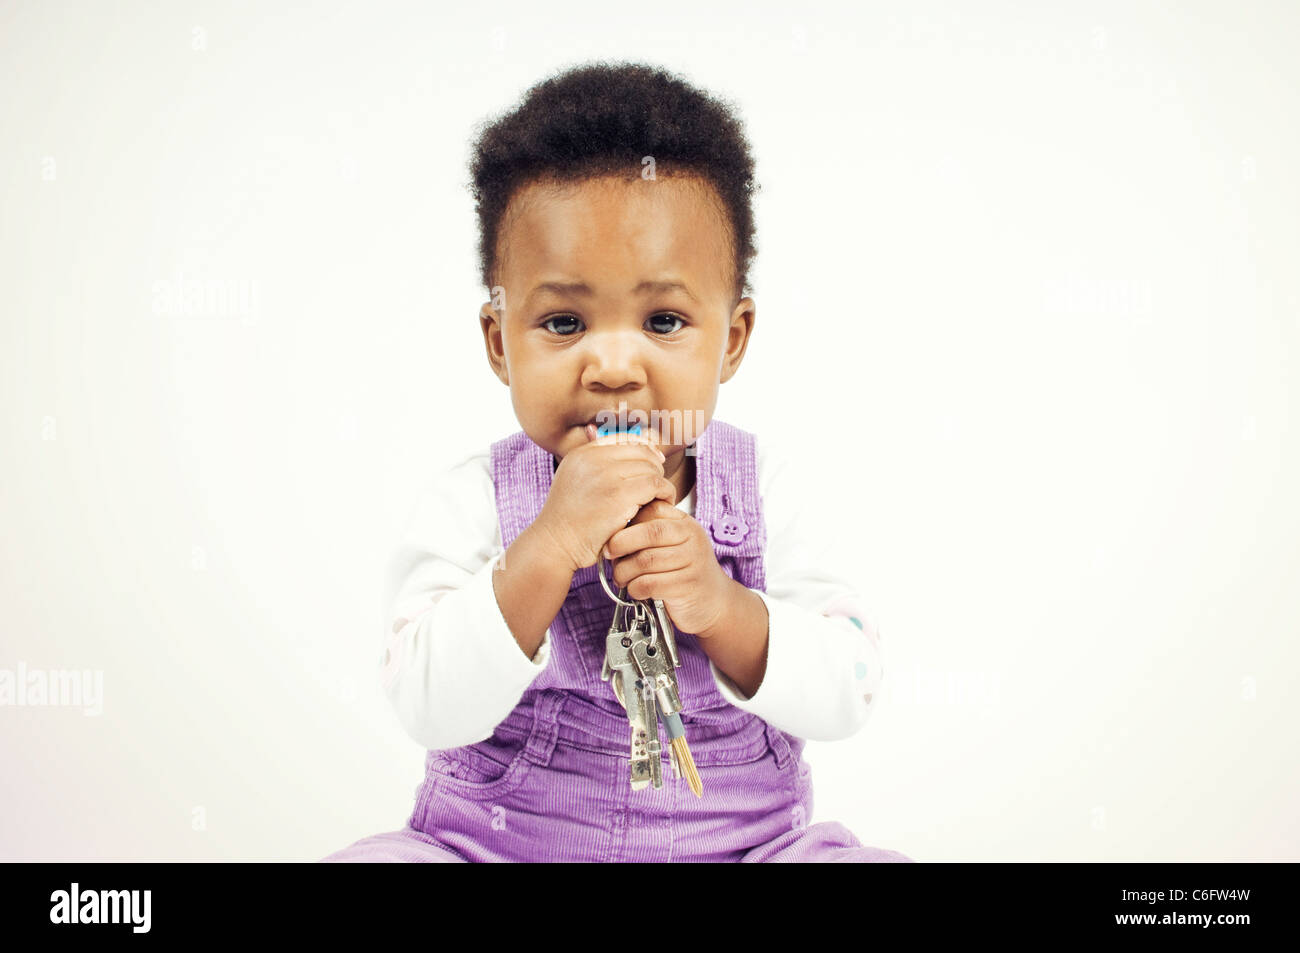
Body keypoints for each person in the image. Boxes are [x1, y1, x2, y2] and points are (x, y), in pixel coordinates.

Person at [322, 60, 912, 862]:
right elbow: (426, 701)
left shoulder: (768, 493)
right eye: (563, 323)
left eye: (664, 320)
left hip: (742, 847)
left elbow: (849, 688)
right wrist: (546, 549)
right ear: (500, 344)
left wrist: (722, 604)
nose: (611, 365)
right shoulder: (474, 501)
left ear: (731, 339)